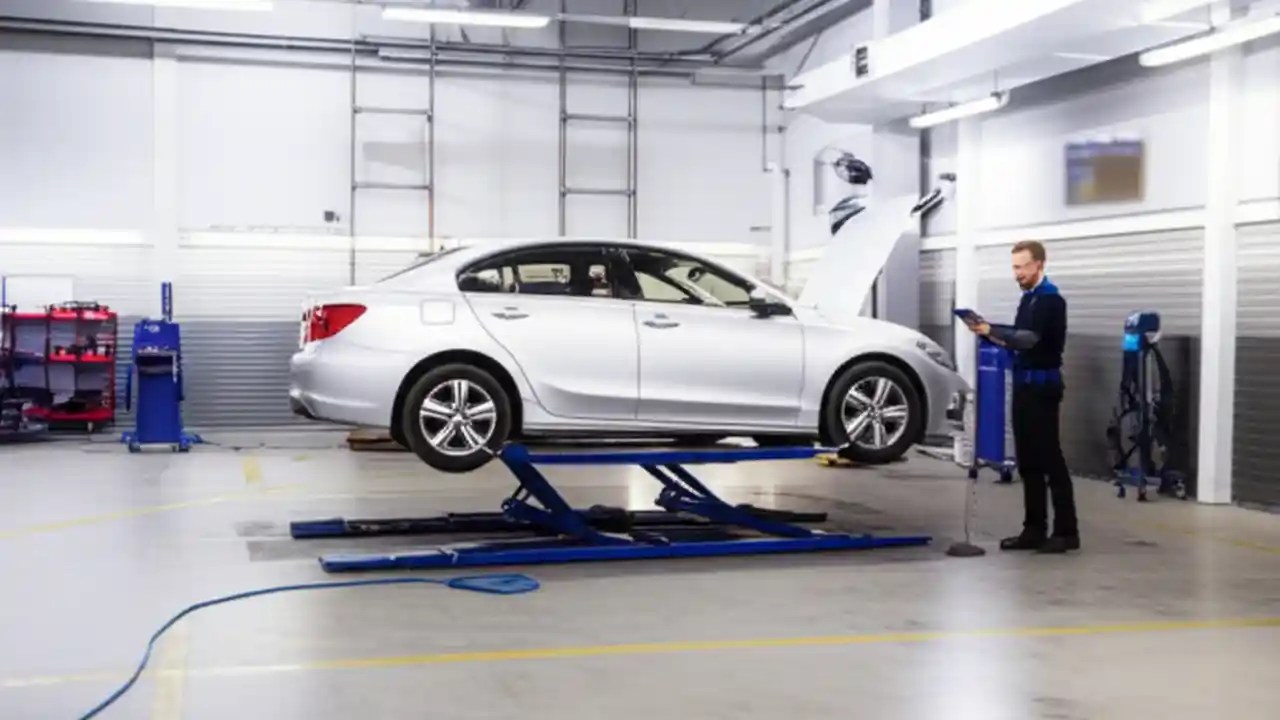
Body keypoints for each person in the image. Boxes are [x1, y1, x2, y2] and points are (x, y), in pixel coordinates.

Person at [963, 240, 1079, 554]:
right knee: (1028, 460)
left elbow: (1028, 340)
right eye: (1014, 267)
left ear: (1039, 264)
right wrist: (989, 332)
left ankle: (1067, 531)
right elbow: (1015, 338)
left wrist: (993, 330)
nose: (1017, 273)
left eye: (1021, 267)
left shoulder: (1050, 301)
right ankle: (1035, 528)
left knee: (1049, 458)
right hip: (1025, 385)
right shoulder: (1027, 300)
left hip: (1043, 387)